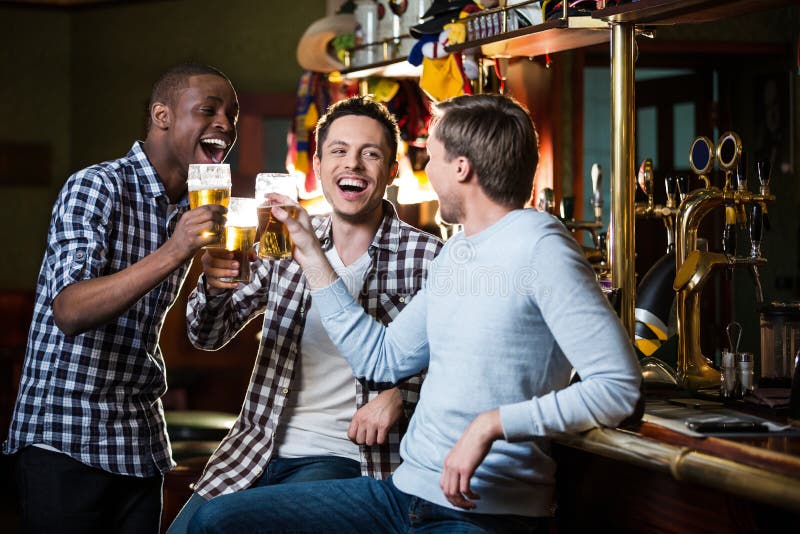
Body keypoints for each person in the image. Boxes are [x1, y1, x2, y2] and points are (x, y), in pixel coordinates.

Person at [188, 93, 642, 533]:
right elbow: (380, 360)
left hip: (483, 510)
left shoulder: (542, 248)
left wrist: (492, 424)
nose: (425, 169)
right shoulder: (460, 252)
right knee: (214, 521)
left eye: (434, 157)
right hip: (401, 496)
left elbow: (619, 389)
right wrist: (308, 249)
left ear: (461, 168)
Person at [168, 96, 442, 532]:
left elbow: (466, 355)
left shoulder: (429, 257)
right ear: (318, 165)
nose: (352, 164)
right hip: (253, 450)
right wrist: (214, 286)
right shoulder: (286, 235)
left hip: (346, 461)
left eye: (370, 154)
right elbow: (207, 334)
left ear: (392, 171)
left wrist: (401, 393)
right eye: (339, 151)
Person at [2, 62, 239, 534]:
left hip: (140, 443)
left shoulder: (194, 206)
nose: (226, 126)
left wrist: (217, 288)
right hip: (66, 437)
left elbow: (204, 336)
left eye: (231, 115)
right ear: (162, 115)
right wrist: (174, 250)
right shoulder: (97, 186)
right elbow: (68, 310)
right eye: (209, 111)